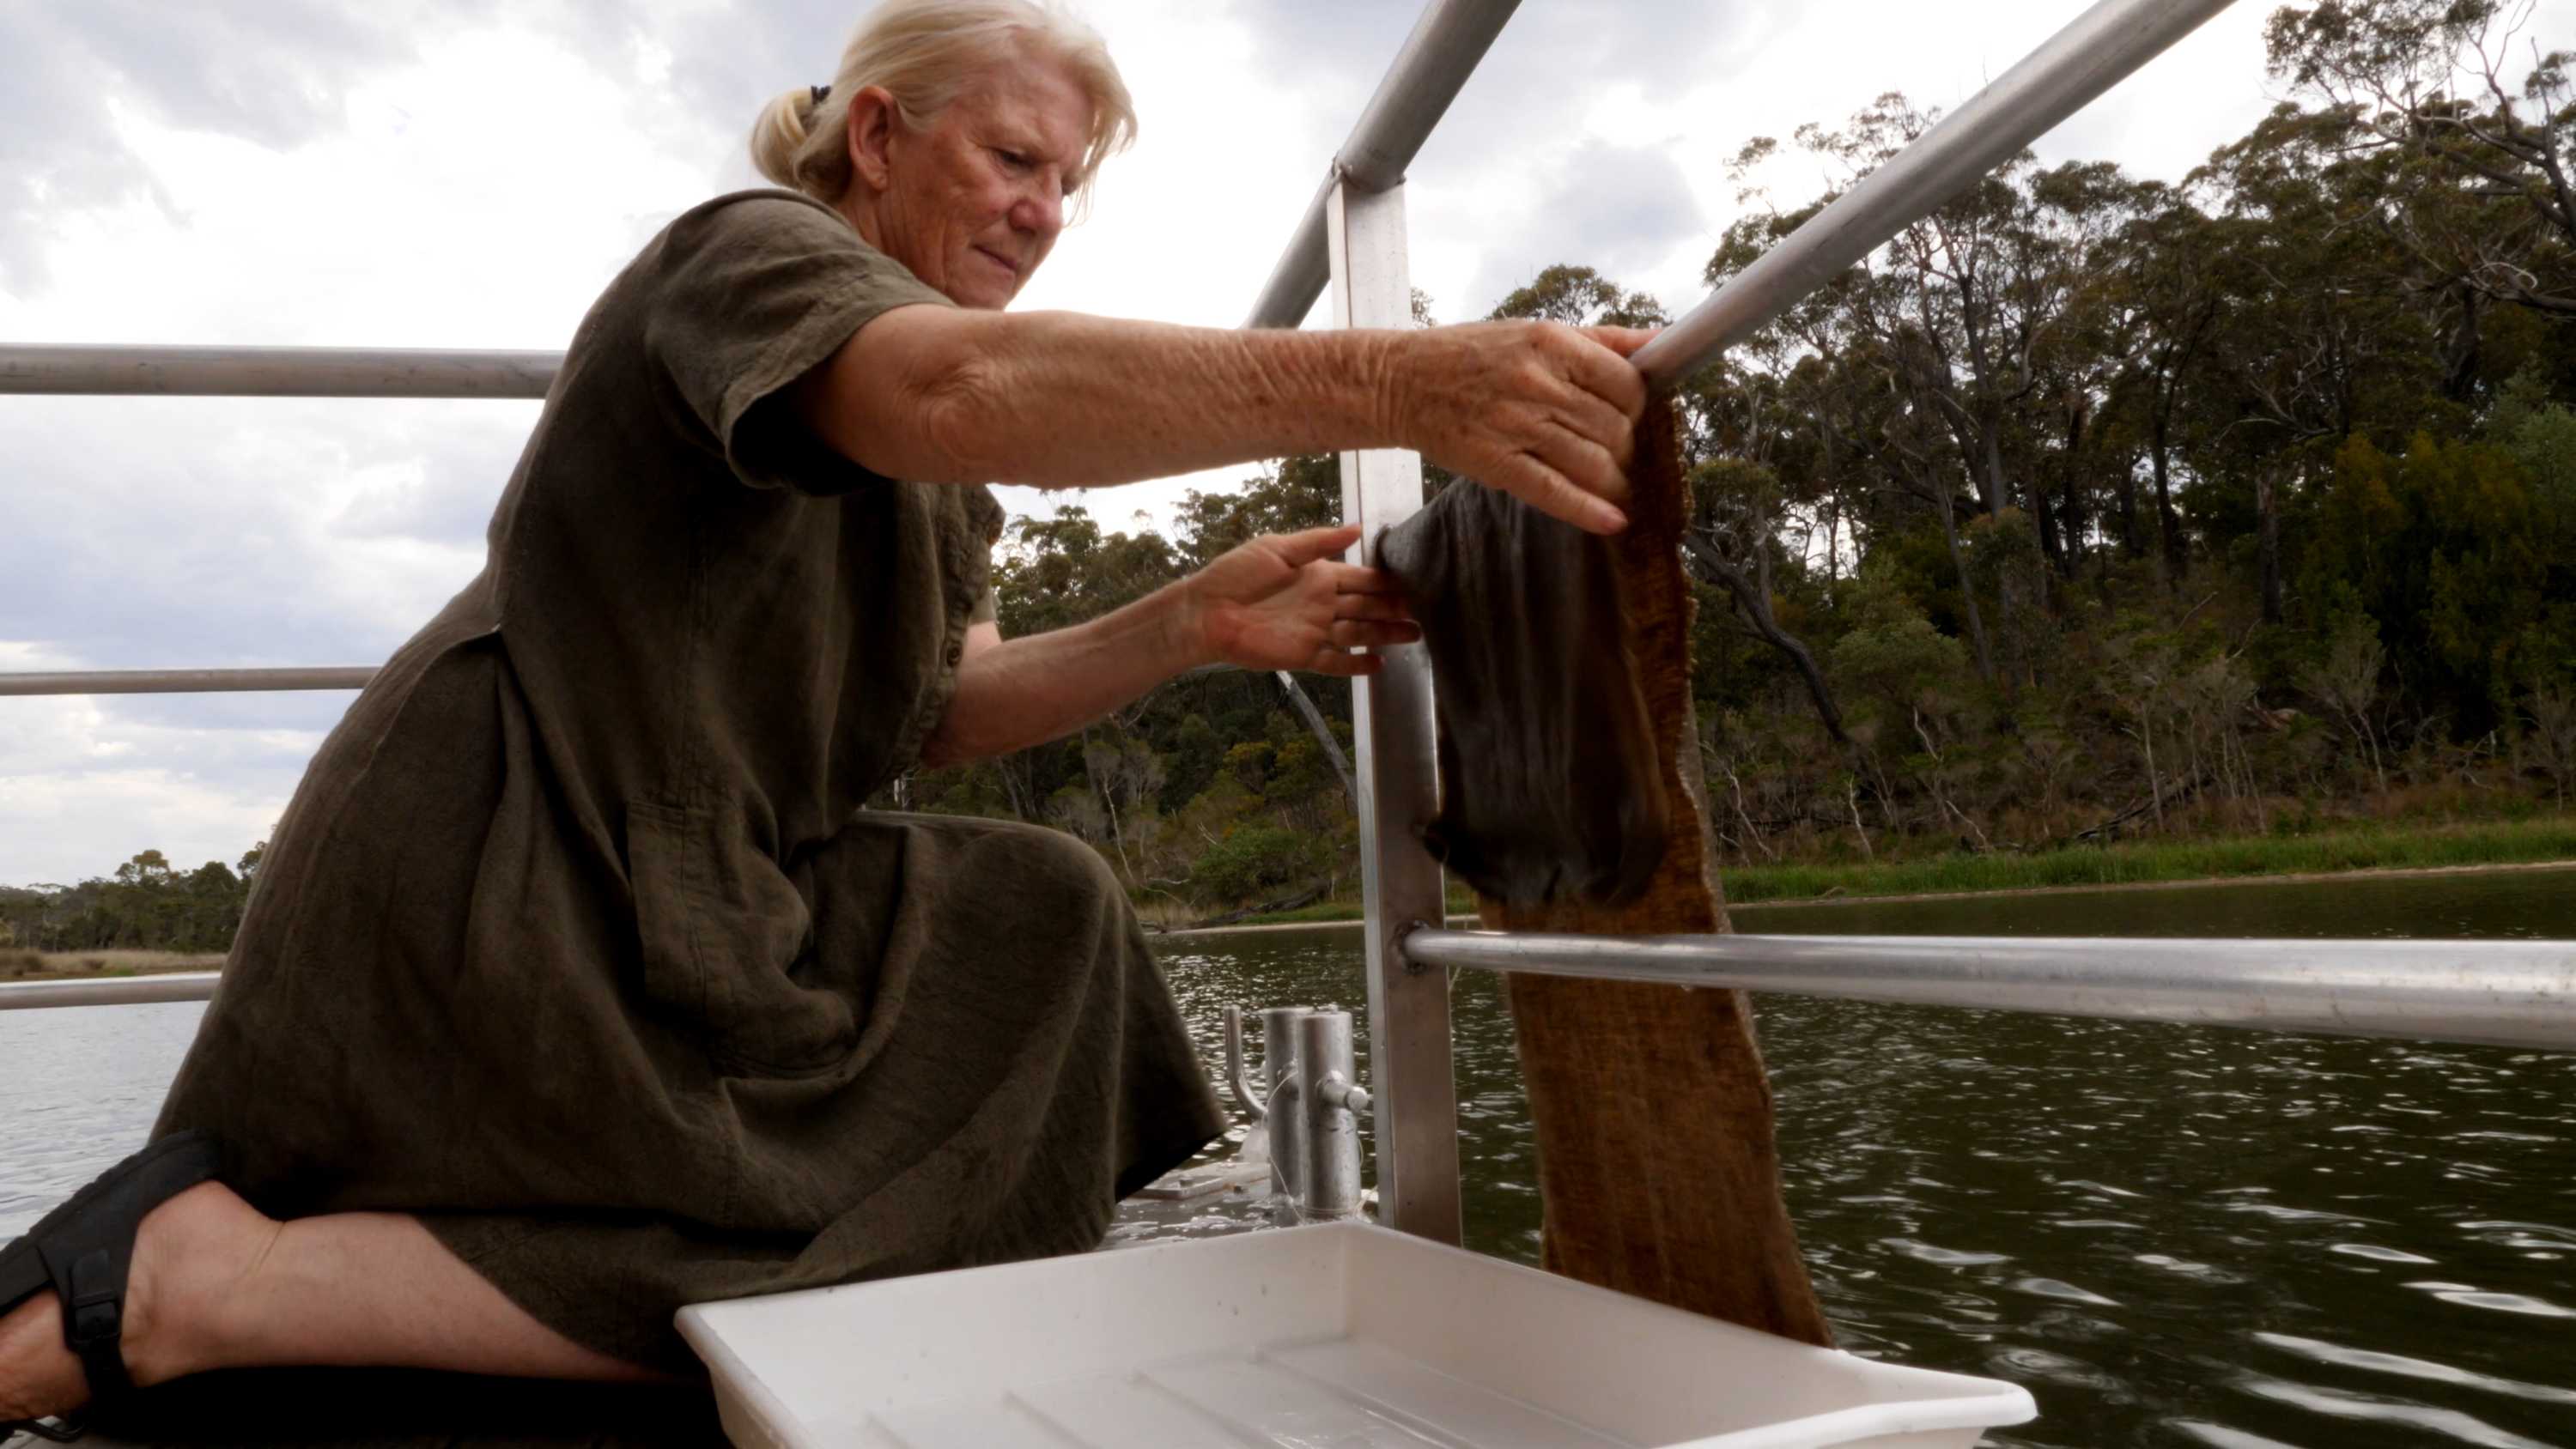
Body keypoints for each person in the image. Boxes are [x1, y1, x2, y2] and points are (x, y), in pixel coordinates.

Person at [0, 0, 1650, 1432]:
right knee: (845, 1275)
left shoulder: (945, 488)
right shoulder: (749, 260)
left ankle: (273, 1281)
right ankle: (217, 1287)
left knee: (1047, 910)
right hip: (512, 866)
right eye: (1013, 161)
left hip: (714, 897)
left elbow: (941, 709)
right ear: (877, 132)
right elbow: (947, 387)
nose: (1042, 213)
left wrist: (1194, 623)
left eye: (1065, 184)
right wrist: (1399, 383)